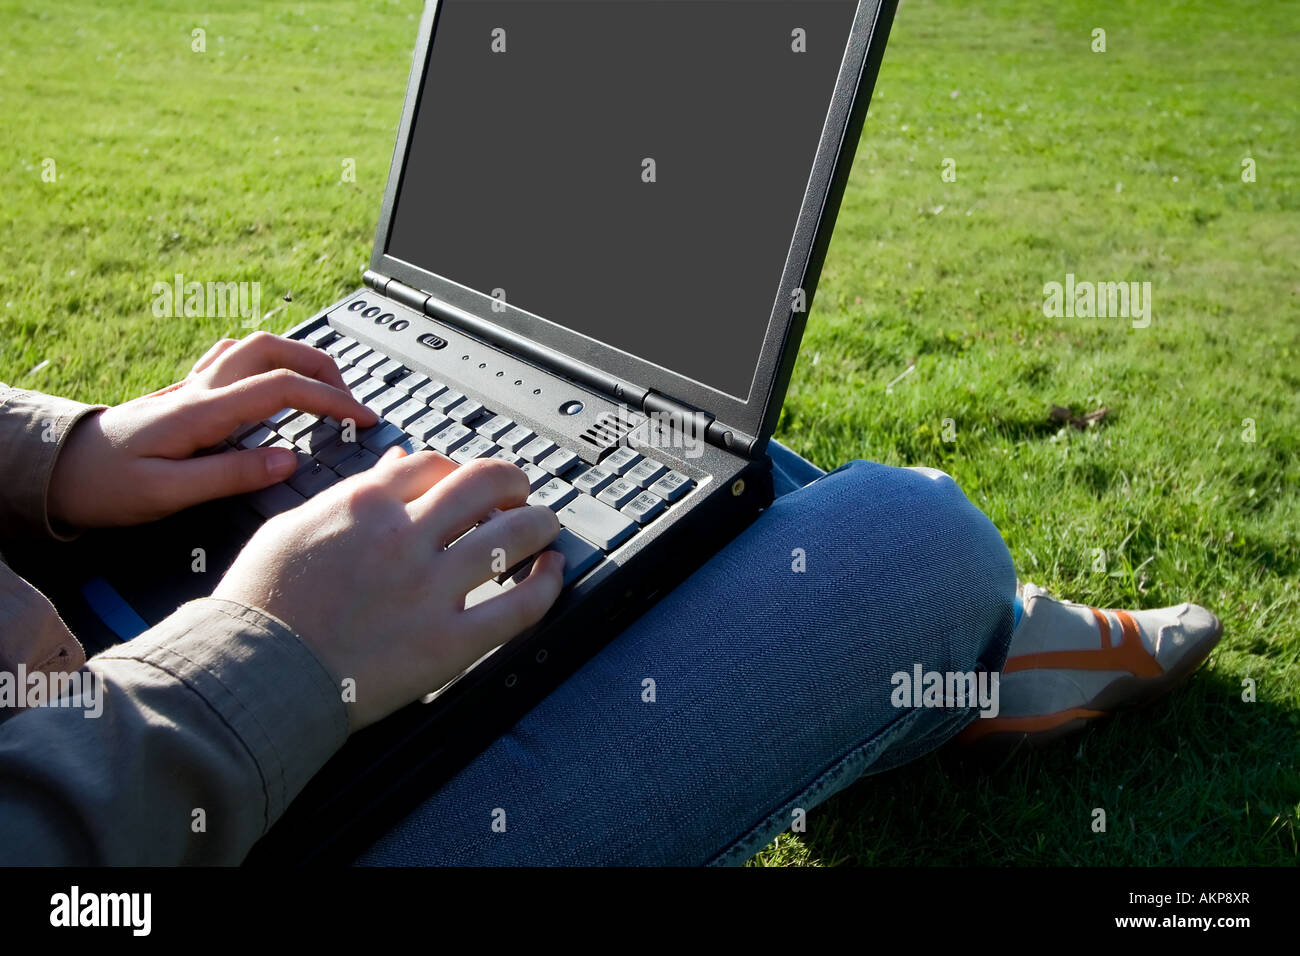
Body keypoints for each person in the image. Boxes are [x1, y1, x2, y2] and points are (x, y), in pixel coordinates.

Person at [0, 332, 1222, 865]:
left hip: (89, 663)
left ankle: (961, 673)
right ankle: (979, 660)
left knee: (653, 450)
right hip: (139, 808)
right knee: (920, 541)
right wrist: (269, 659)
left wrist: (55, 453)